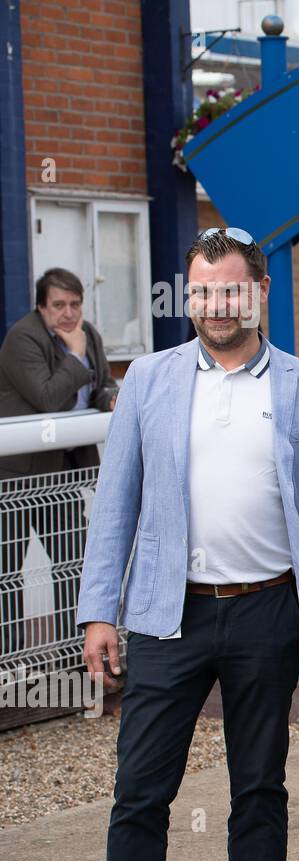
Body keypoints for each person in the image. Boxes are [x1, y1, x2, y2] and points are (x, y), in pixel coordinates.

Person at [77, 227, 299, 861]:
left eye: (230, 291)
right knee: (141, 791)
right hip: (166, 617)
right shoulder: (147, 381)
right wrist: (98, 612)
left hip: (267, 612)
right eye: (201, 293)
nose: (215, 306)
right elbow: (115, 505)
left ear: (259, 290)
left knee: (259, 789)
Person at [0, 268, 118, 654]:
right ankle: (11, 658)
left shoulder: (88, 333)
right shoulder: (23, 339)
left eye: (75, 304)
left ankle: (75, 656)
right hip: (17, 476)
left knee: (74, 565)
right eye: (58, 305)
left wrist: (110, 398)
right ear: (40, 307)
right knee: (9, 572)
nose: (69, 313)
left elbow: (100, 384)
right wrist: (77, 354)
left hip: (63, 474)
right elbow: (48, 398)